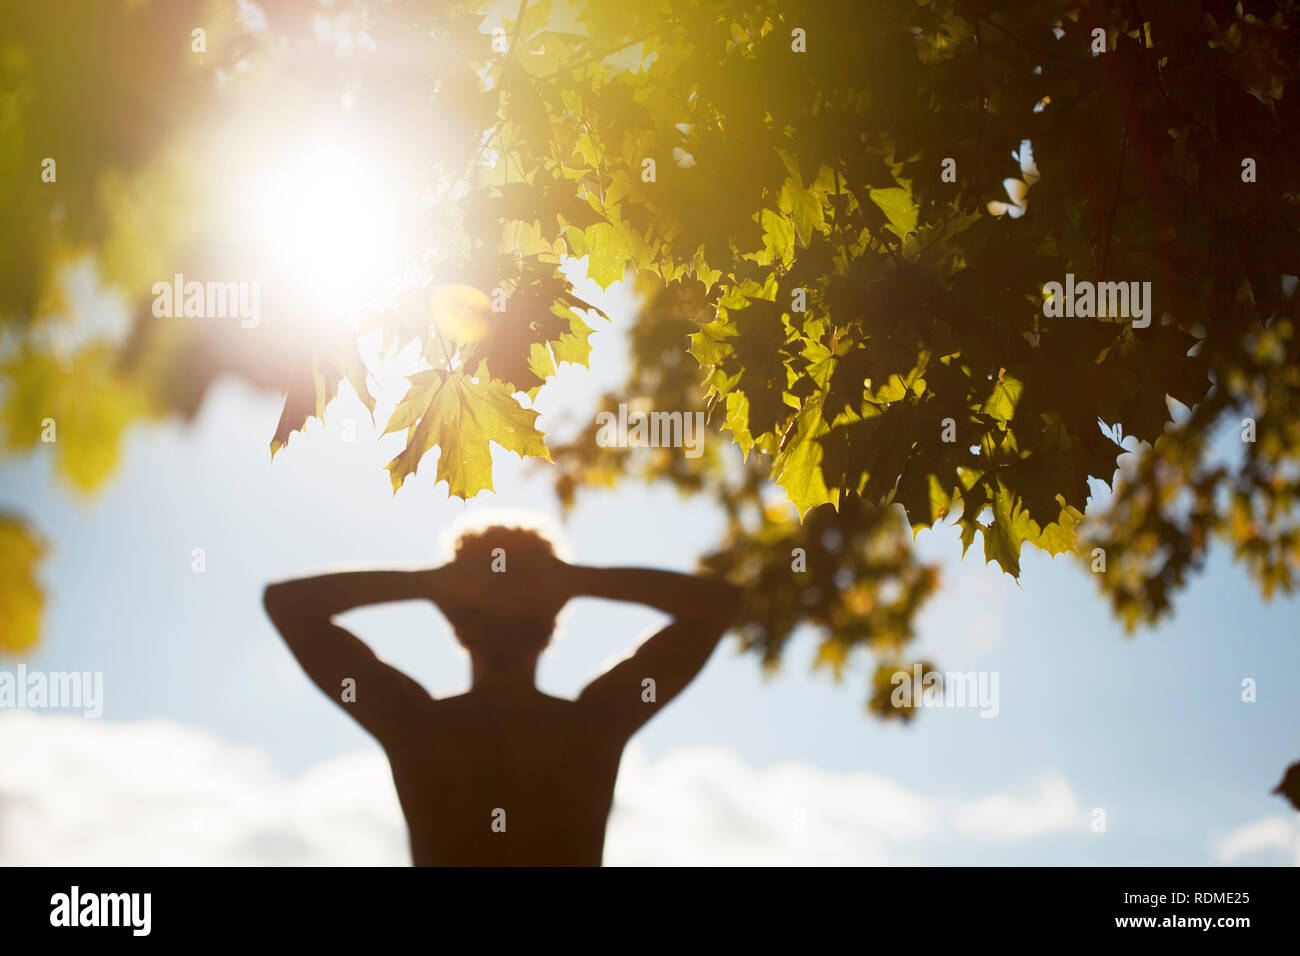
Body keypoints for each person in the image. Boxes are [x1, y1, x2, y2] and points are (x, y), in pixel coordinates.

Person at [263, 524, 741, 866]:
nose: (504, 603)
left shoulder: (414, 725)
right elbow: (715, 607)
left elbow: (289, 606)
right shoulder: (594, 725)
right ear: (552, 624)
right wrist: (570, 580)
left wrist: (436, 583)